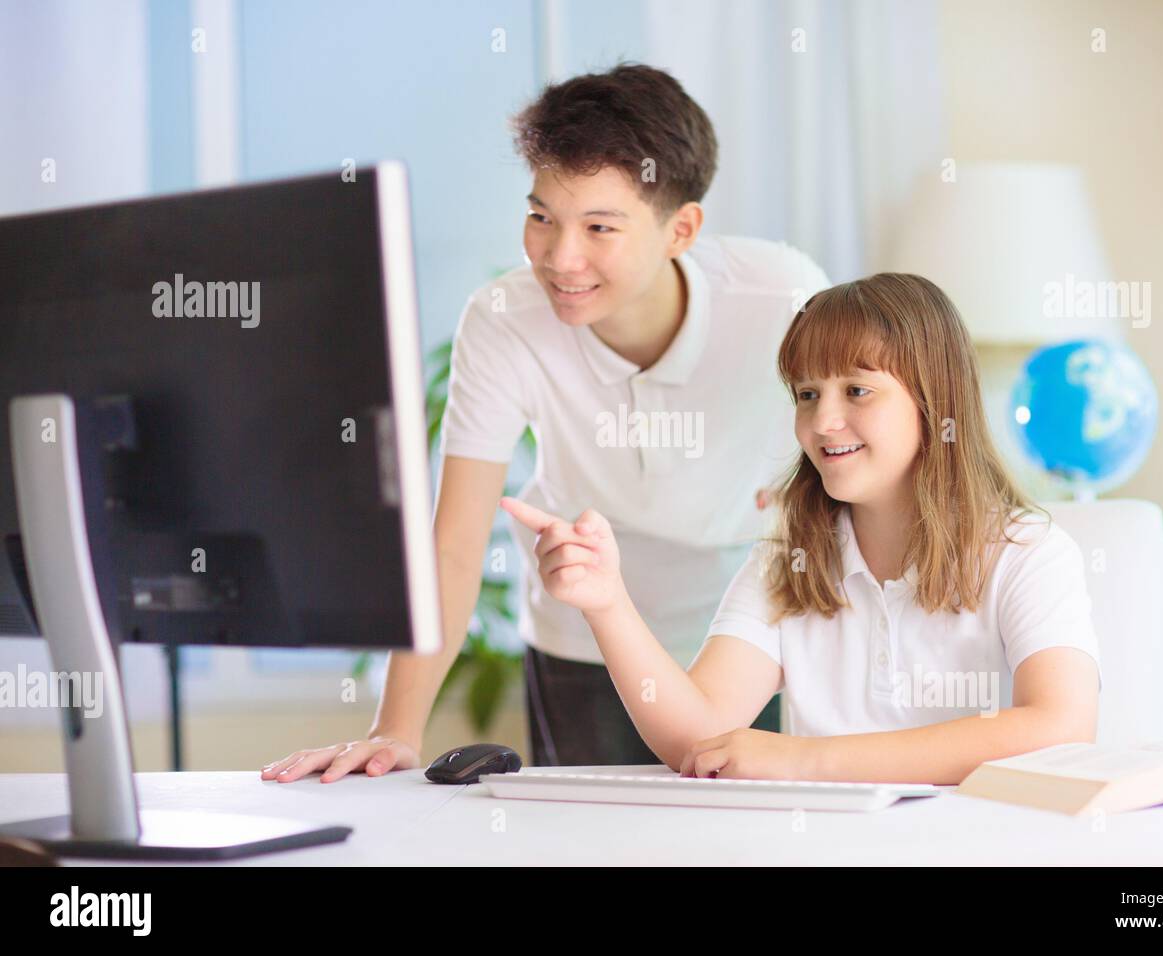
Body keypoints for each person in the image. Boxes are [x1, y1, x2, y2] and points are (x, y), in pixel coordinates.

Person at [261, 63, 829, 781]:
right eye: (541, 217)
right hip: (582, 642)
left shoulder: (783, 295)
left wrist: (807, 489)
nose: (561, 258)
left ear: (680, 228)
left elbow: (858, 441)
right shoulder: (505, 321)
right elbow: (455, 547)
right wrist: (396, 730)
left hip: (748, 641)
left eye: (599, 227)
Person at [501, 274, 1102, 784]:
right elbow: (699, 738)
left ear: (936, 403)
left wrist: (810, 759)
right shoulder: (790, 560)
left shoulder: (1029, 553)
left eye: (857, 390)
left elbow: (1060, 726)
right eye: (807, 394)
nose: (823, 420)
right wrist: (607, 603)